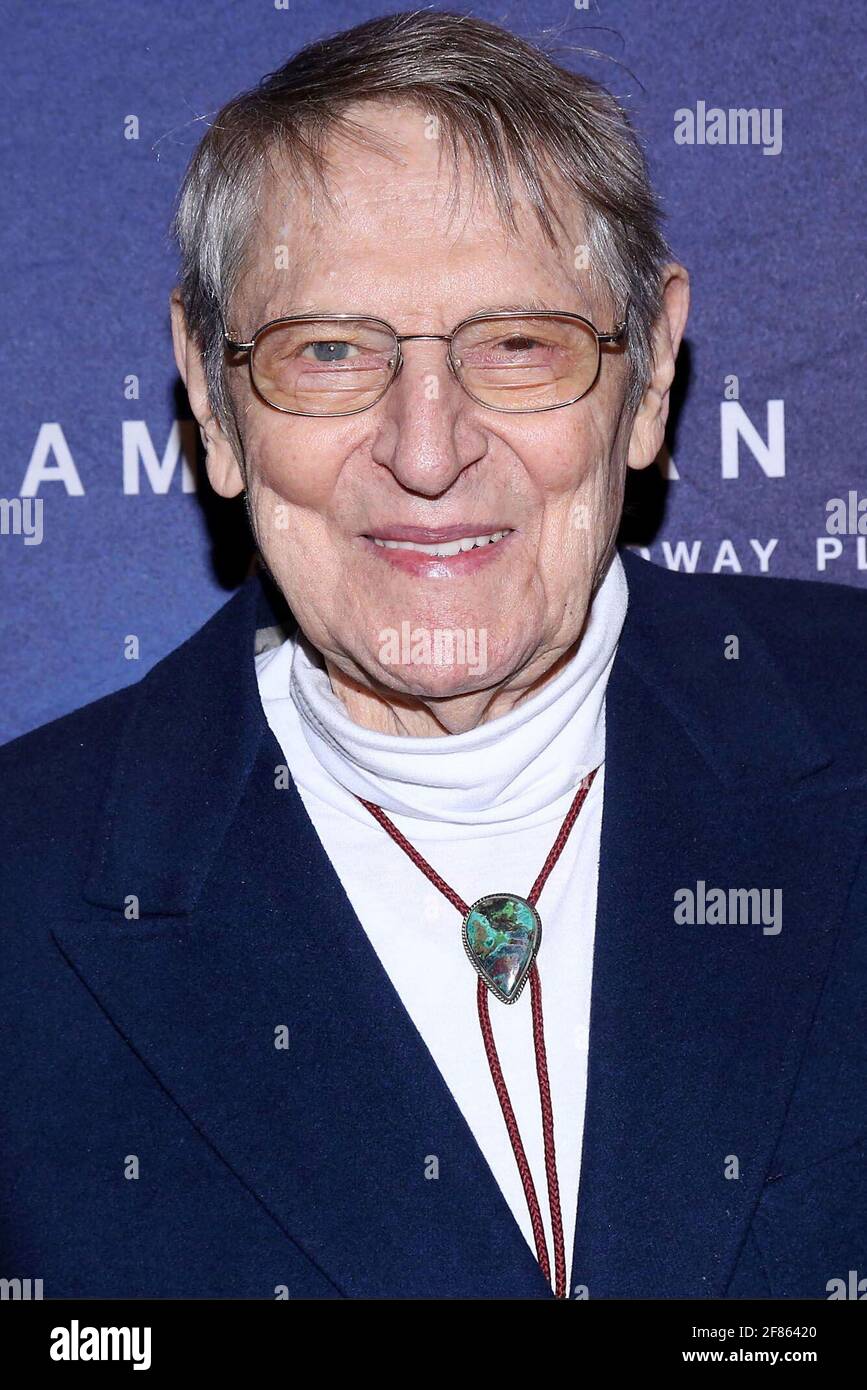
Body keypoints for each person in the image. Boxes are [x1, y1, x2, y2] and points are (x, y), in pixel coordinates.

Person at [2, 10, 865, 1301]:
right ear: (210, 391)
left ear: (653, 365)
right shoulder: (26, 887)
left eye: (519, 344)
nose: (426, 447)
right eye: (331, 351)